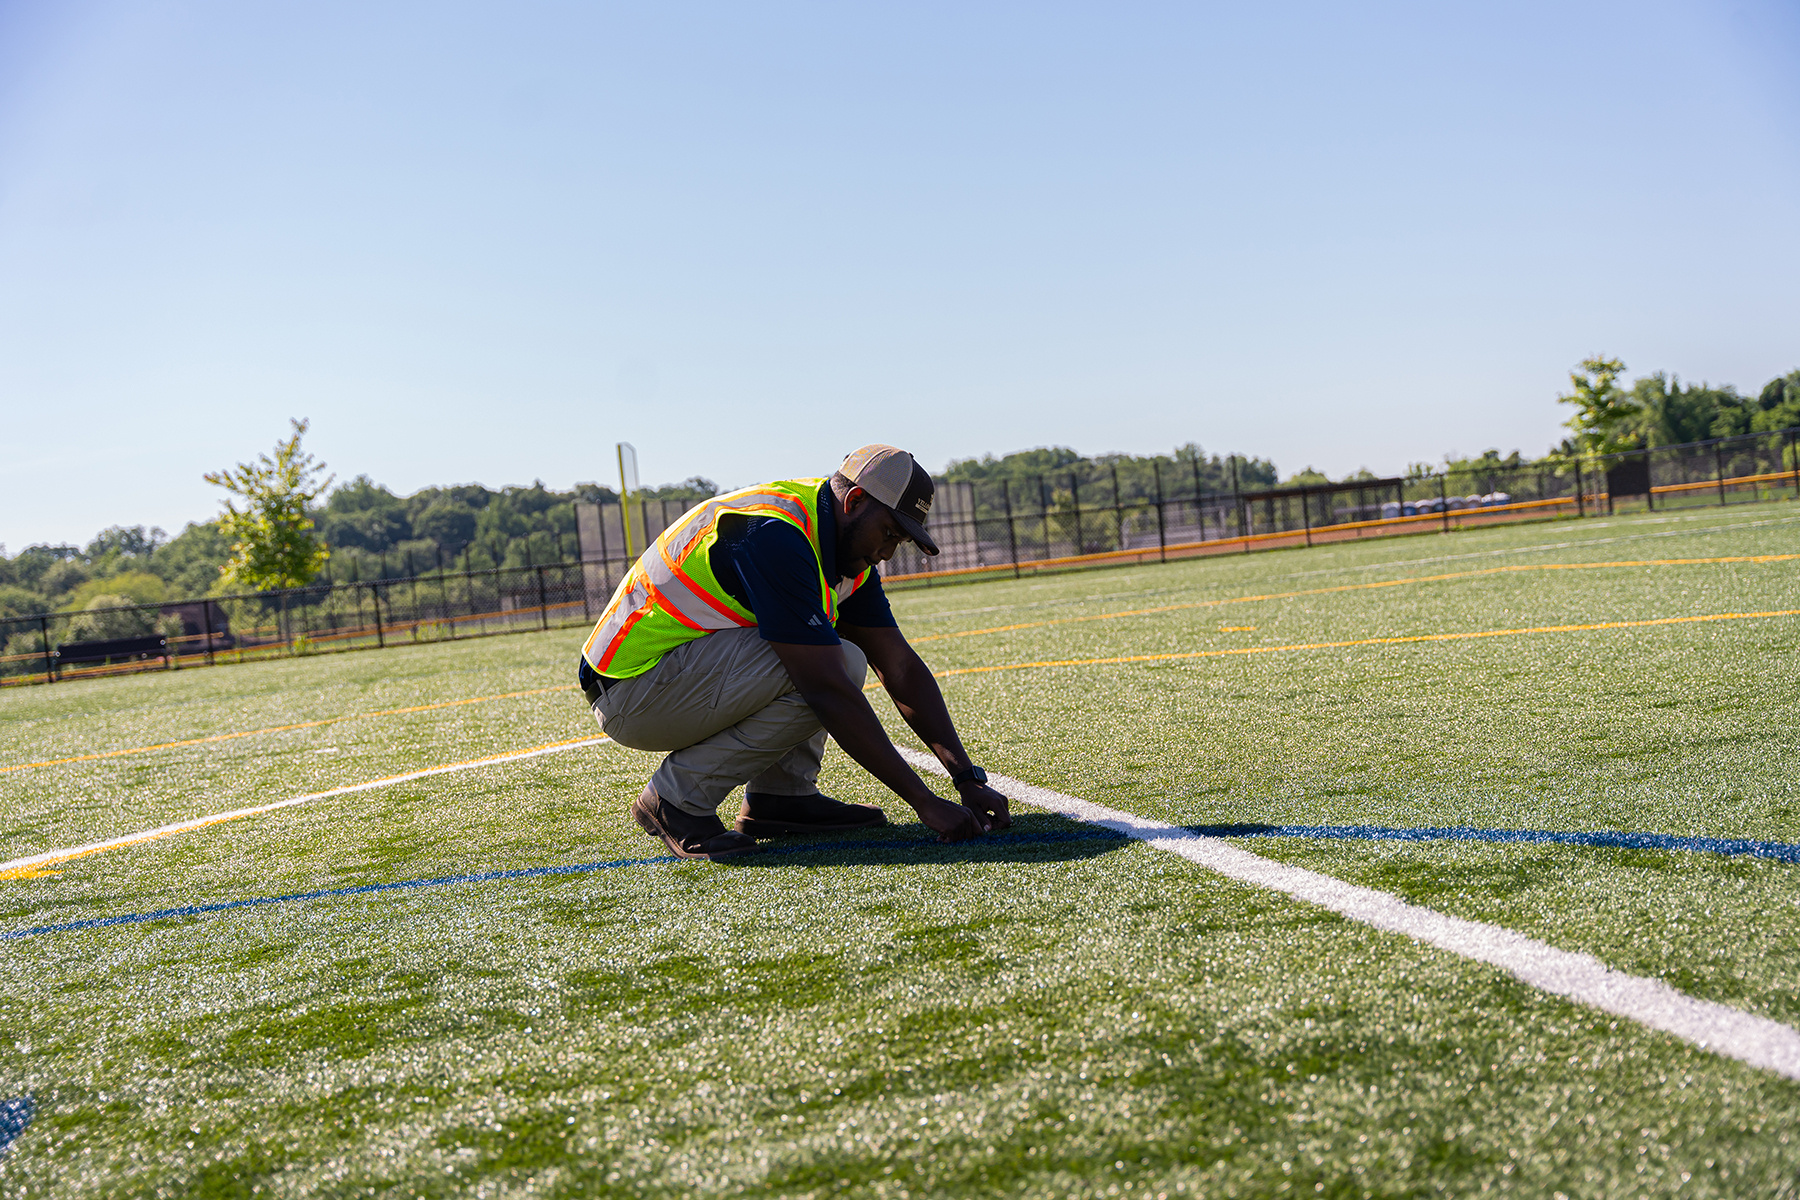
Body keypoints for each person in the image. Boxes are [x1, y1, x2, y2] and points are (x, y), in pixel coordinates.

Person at [578, 444, 1013, 860]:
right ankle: (676, 801)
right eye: (889, 533)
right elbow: (826, 689)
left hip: (672, 675)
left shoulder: (838, 546)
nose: (886, 553)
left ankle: (780, 799)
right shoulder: (775, 534)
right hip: (630, 690)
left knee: (840, 657)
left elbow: (898, 666)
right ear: (855, 501)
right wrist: (924, 801)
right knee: (830, 664)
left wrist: (966, 776)